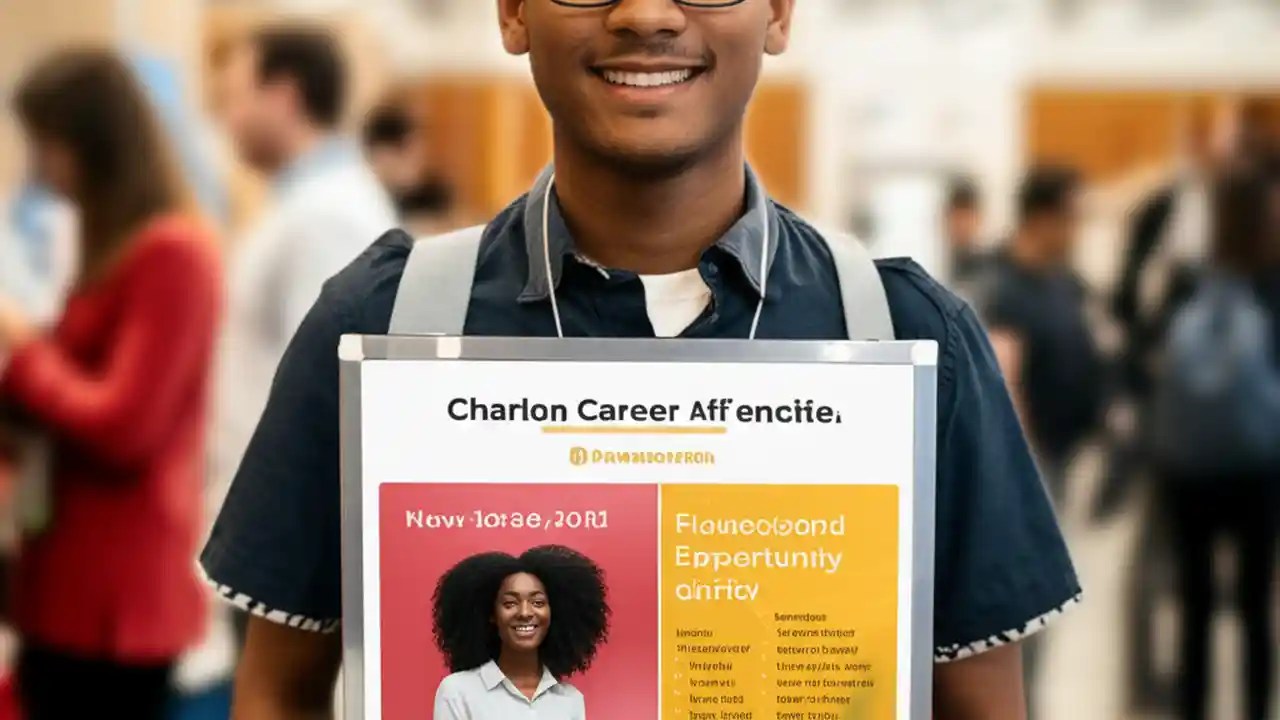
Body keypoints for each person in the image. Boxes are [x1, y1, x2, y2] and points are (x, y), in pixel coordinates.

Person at [201, 2, 1081, 718]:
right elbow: (278, 689)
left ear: (778, 12)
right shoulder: (378, 326)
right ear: (511, 13)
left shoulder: (911, 341)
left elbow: (980, 703)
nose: (646, 14)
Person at [0, 49, 223, 719]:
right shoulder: (111, 248)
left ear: (89, 145)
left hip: (116, 599)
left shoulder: (173, 254)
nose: (38, 167)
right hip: (65, 583)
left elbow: (125, 426)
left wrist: (22, 349)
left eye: (46, 145)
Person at [205, 25, 397, 564]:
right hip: (261, 511)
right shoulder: (298, 202)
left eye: (235, 97)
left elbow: (318, 384)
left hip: (286, 530)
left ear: (283, 95)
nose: (227, 119)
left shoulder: (329, 215)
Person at [1148, 157, 1280, 720]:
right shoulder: (1273, 283)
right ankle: (1255, 708)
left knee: (1195, 603)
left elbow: (1146, 345)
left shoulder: (1187, 278)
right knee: (1254, 605)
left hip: (1186, 464)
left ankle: (1192, 708)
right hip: (1259, 464)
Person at [432, 546, 608, 718]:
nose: (525, 613)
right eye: (510, 603)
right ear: (492, 614)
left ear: (554, 612)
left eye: (538, 602)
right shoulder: (458, 691)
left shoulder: (570, 700)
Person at [942, 175, 987, 294]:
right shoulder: (938, 267)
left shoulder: (991, 271)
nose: (961, 226)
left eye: (966, 218)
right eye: (956, 218)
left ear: (977, 219)